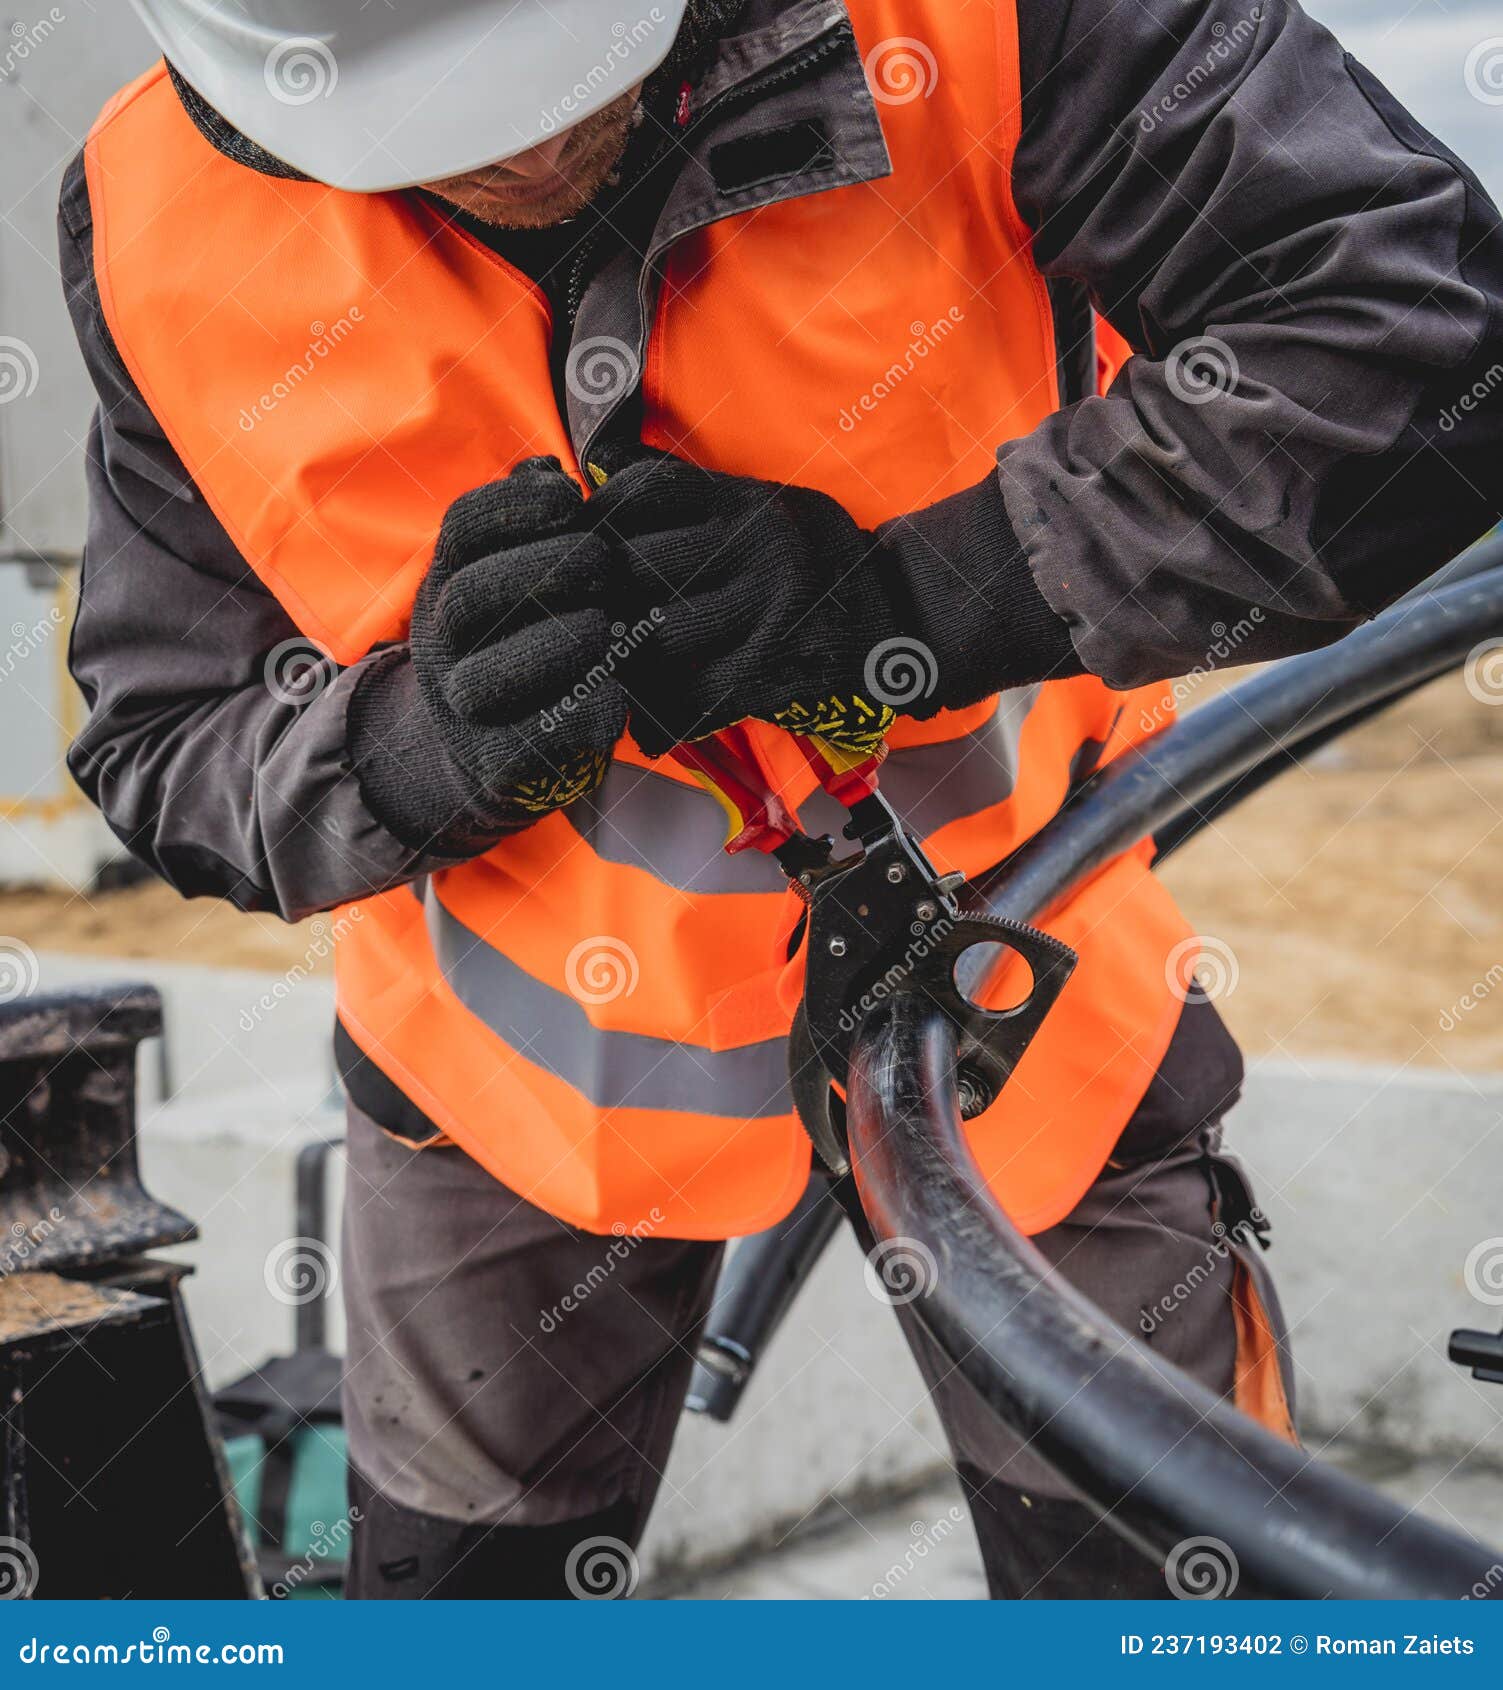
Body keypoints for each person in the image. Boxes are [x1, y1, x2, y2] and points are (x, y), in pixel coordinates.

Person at [61, 0, 1503, 1597]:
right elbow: (163, 735)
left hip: (1024, 1005)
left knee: (1162, 1591)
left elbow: (1415, 346)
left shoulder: (989, 22)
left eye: (552, 79)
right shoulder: (155, 216)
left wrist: (913, 604)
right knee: (459, 1612)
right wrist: (413, 749)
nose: (533, 149)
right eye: (447, 129)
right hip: (511, 1099)